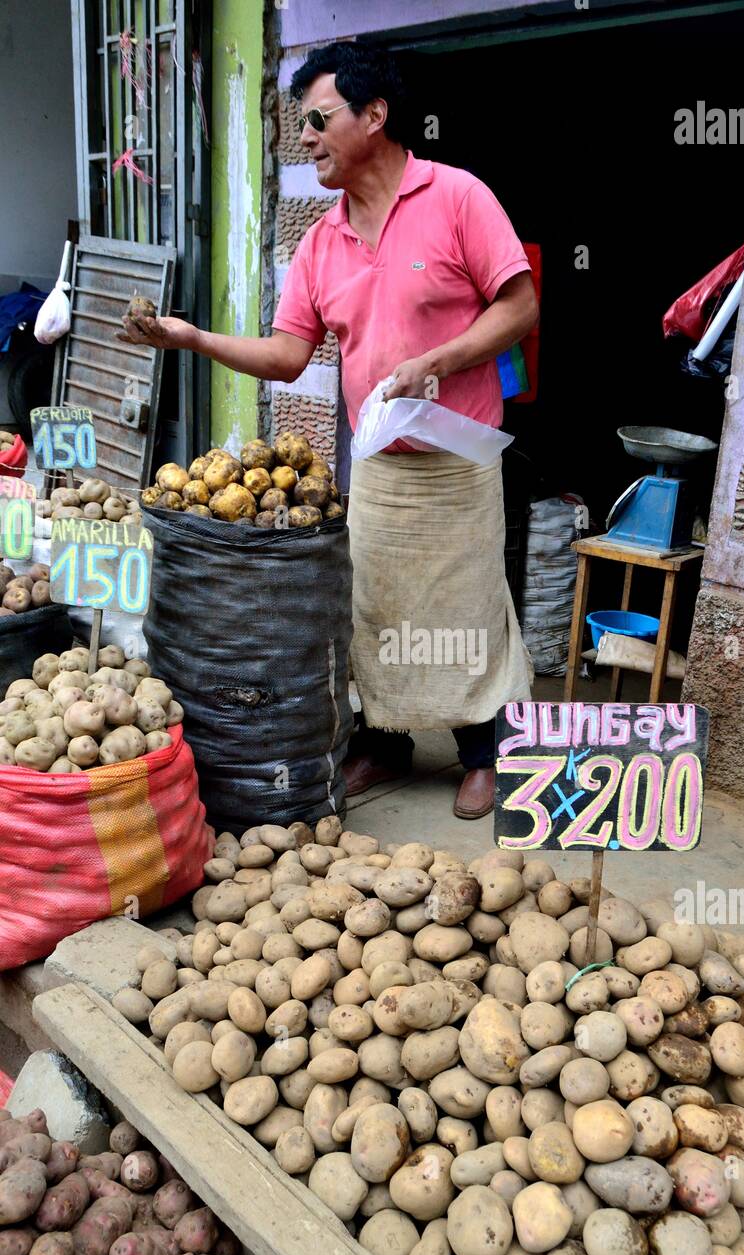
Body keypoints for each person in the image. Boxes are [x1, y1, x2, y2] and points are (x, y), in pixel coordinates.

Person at [121, 41, 537, 819]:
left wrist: (438, 360)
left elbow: (519, 307)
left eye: (317, 118)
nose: (303, 137)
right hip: (378, 462)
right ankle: (386, 741)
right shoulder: (321, 241)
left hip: (460, 456)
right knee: (375, 607)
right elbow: (286, 356)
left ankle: (483, 747)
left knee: (468, 603)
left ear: (374, 115)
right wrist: (194, 339)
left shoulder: (457, 197)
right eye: (297, 124)